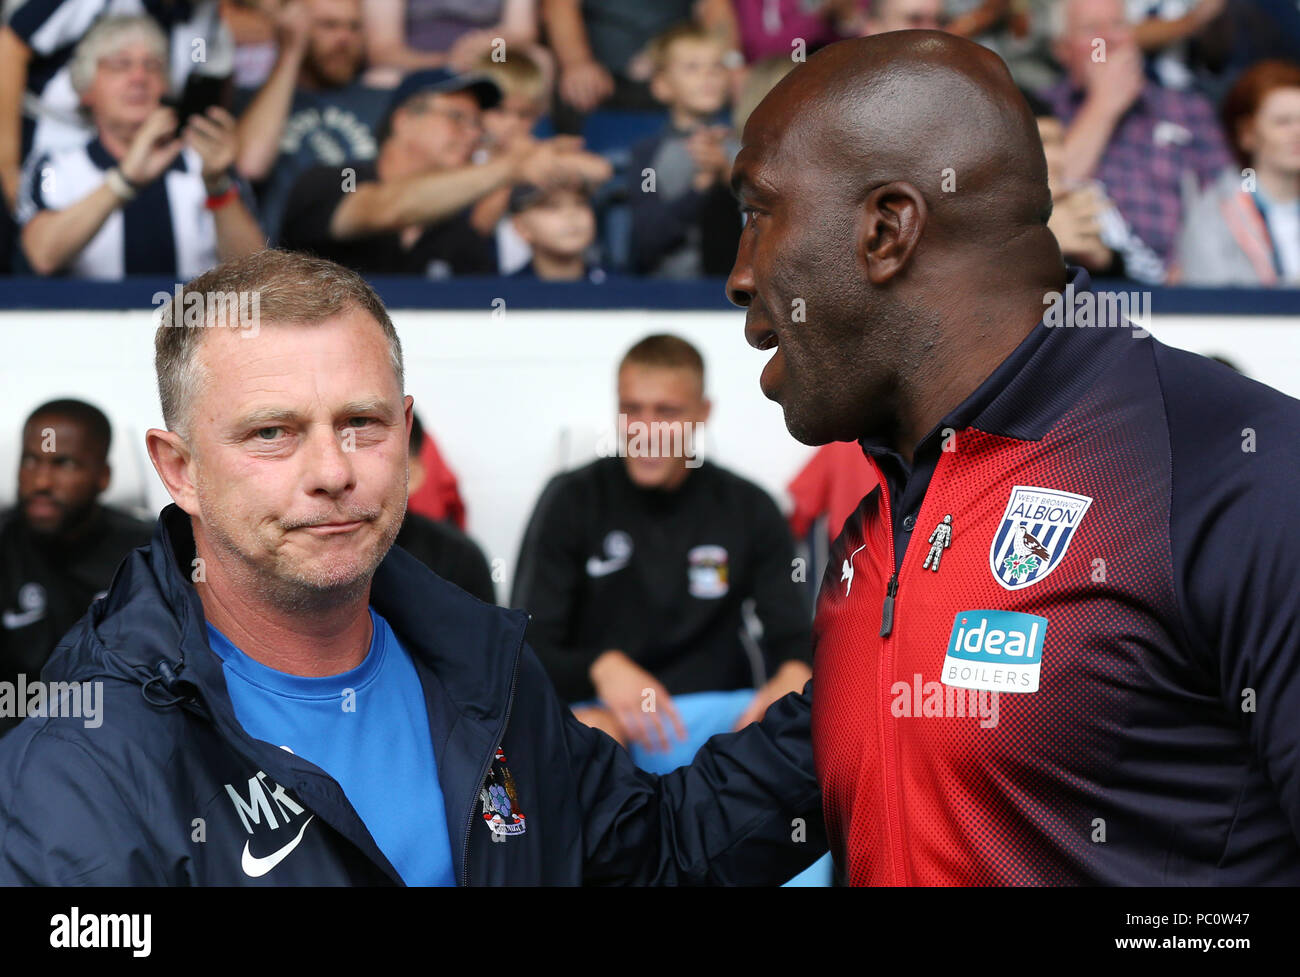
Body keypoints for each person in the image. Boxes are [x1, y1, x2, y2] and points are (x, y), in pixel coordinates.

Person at [0, 249, 825, 885]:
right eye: (271, 433)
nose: (332, 469)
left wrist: (863, 697)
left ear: (405, 433)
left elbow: (659, 848)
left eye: (361, 423)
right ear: (178, 469)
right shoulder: (84, 761)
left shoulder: (476, 668)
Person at [727, 30, 1300, 884]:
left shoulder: (1241, 473)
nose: (738, 274)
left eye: (756, 214)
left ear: (887, 229)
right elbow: (672, 837)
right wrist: (457, 644)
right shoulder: (879, 535)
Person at [511, 334, 813, 770]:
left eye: (666, 412)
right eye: (632, 409)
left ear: (702, 414)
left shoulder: (748, 507)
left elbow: (794, 638)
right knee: (591, 738)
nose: (645, 431)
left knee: (805, 729)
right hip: (606, 722)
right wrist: (599, 667)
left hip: (719, 724)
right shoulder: (572, 499)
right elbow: (525, 646)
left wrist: (790, 677)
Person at [278, 67, 607, 276]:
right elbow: (388, 208)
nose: (474, 133)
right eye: (458, 118)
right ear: (404, 120)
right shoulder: (328, 181)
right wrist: (513, 167)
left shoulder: (459, 226)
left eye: (478, 123)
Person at [17, 16, 264, 278]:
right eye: (120, 65)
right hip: (93, 318)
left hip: (193, 317)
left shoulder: (206, 162)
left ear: (166, 86)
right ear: (85, 88)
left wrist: (218, 187)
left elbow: (256, 274)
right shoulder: (54, 168)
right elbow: (41, 256)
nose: (139, 77)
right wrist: (124, 181)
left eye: (153, 66)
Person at [0, 400, 152, 736]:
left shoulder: (149, 552)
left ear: (103, 476)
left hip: (122, 736)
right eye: (30, 461)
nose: (41, 481)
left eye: (63, 464)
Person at [1042, 0, 1232, 266]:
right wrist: (1102, 107)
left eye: (1119, 25)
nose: (1108, 39)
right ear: (1062, 49)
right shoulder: (1040, 109)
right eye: (1091, 29)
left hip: (1182, 288)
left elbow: (1230, 203)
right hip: (1081, 283)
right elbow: (1042, 200)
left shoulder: (1188, 109)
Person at [233, 0, 391, 245]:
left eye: (354, 27)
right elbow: (250, 165)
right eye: (329, 26)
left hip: (367, 261)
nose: (344, 39)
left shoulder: (381, 100)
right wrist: (290, 52)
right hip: (284, 264)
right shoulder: (252, 100)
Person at [629, 24, 741, 278]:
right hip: (673, 294)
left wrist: (728, 177)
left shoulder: (747, 148)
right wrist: (700, 188)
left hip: (742, 296)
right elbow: (646, 239)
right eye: (692, 67)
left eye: (717, 66)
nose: (708, 76)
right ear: (661, 85)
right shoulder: (648, 154)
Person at [1177, 60, 1300, 286]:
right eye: (1283, 122)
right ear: (1247, 134)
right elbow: (1208, 303)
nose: (1297, 133)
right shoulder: (1214, 211)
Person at [507, 180, 600, 280]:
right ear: (521, 226)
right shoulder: (505, 291)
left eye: (580, 203)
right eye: (552, 206)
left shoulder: (616, 286)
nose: (571, 214)